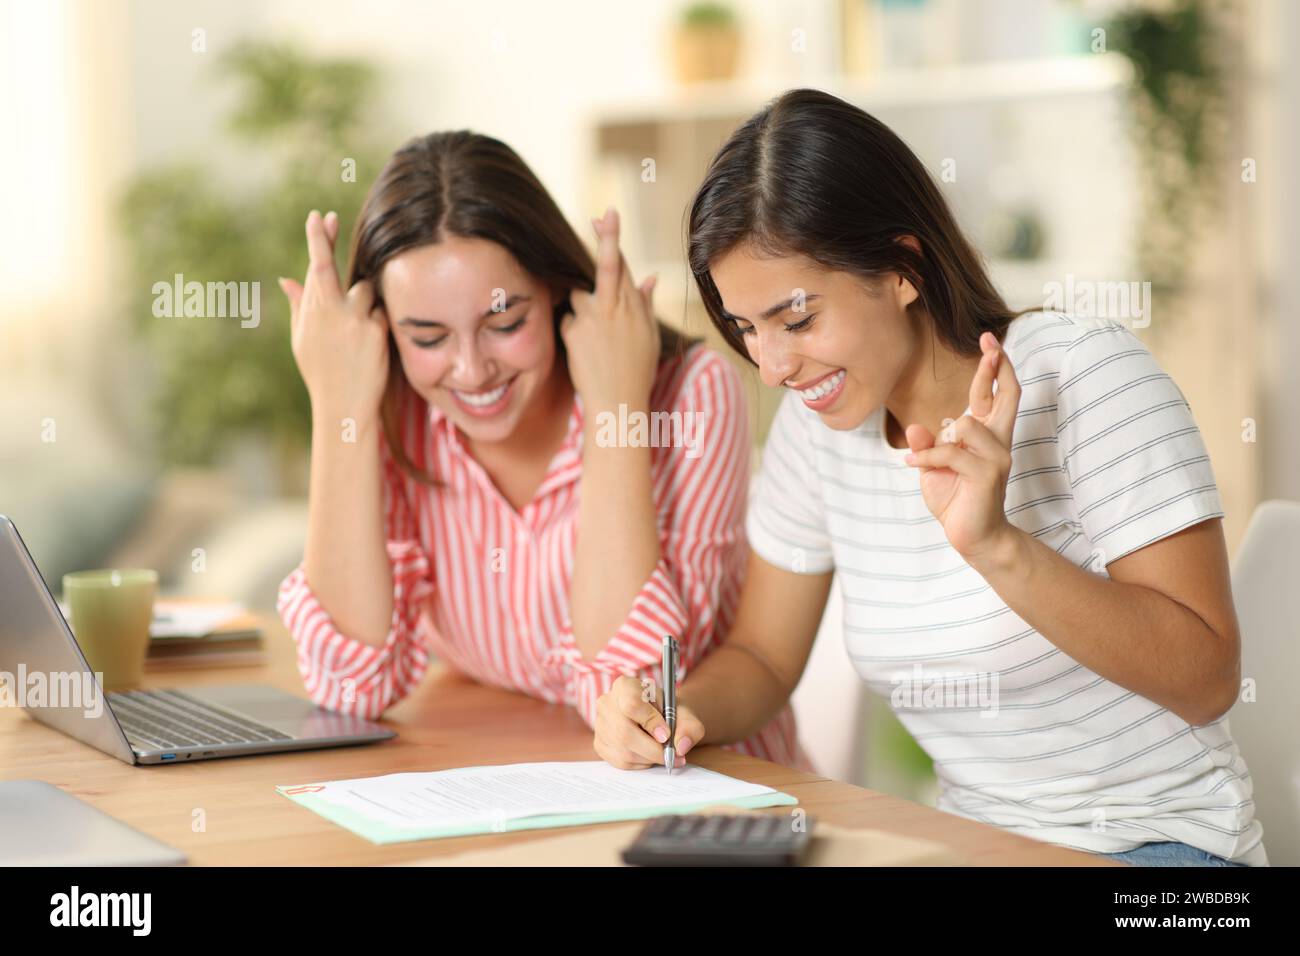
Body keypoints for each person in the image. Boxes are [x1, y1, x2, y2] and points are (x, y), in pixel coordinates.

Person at [593, 89, 1266, 866]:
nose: (771, 368)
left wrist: (996, 545)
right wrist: (674, 710)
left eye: (798, 320)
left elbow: (1207, 676)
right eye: (747, 328)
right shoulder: (822, 434)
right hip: (972, 845)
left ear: (901, 269)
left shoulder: (1086, 378)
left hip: (1163, 853)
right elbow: (766, 660)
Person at [276, 130, 808, 770]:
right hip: (525, 785)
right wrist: (338, 407)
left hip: (710, 799)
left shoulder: (690, 398)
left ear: (556, 288)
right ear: (382, 329)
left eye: (505, 325)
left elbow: (639, 693)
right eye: (427, 337)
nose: (471, 372)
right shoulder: (394, 411)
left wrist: (614, 408)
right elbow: (348, 688)